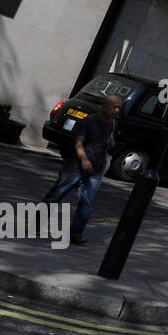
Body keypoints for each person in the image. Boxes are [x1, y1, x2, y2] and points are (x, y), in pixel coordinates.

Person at [43, 95, 120, 245]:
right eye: (114, 107)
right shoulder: (89, 121)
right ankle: (38, 222)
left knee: (86, 203)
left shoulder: (113, 123)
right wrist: (84, 160)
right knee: (56, 194)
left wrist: (111, 142)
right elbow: (78, 143)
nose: (116, 110)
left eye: (119, 107)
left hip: (96, 167)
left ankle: (76, 234)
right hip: (76, 166)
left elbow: (109, 140)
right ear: (105, 106)